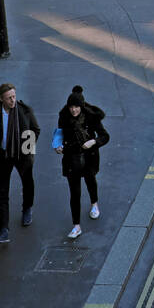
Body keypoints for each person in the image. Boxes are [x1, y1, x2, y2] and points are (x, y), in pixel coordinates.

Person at [0, 83, 40, 244]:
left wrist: (27, 149)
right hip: (2, 156)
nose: (12, 101)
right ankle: (3, 230)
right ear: (1, 99)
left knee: (27, 182)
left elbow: (35, 130)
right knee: (2, 192)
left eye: (14, 96)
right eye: (9, 98)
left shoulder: (24, 110)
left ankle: (27, 208)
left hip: (21, 154)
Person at [54, 88, 109, 239]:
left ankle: (94, 204)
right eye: (71, 107)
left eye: (76, 107)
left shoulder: (91, 117)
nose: (73, 110)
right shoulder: (63, 117)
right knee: (74, 192)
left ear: (82, 106)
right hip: (71, 158)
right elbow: (59, 134)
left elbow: (105, 136)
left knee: (90, 180)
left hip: (89, 156)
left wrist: (93, 142)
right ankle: (76, 226)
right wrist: (58, 146)